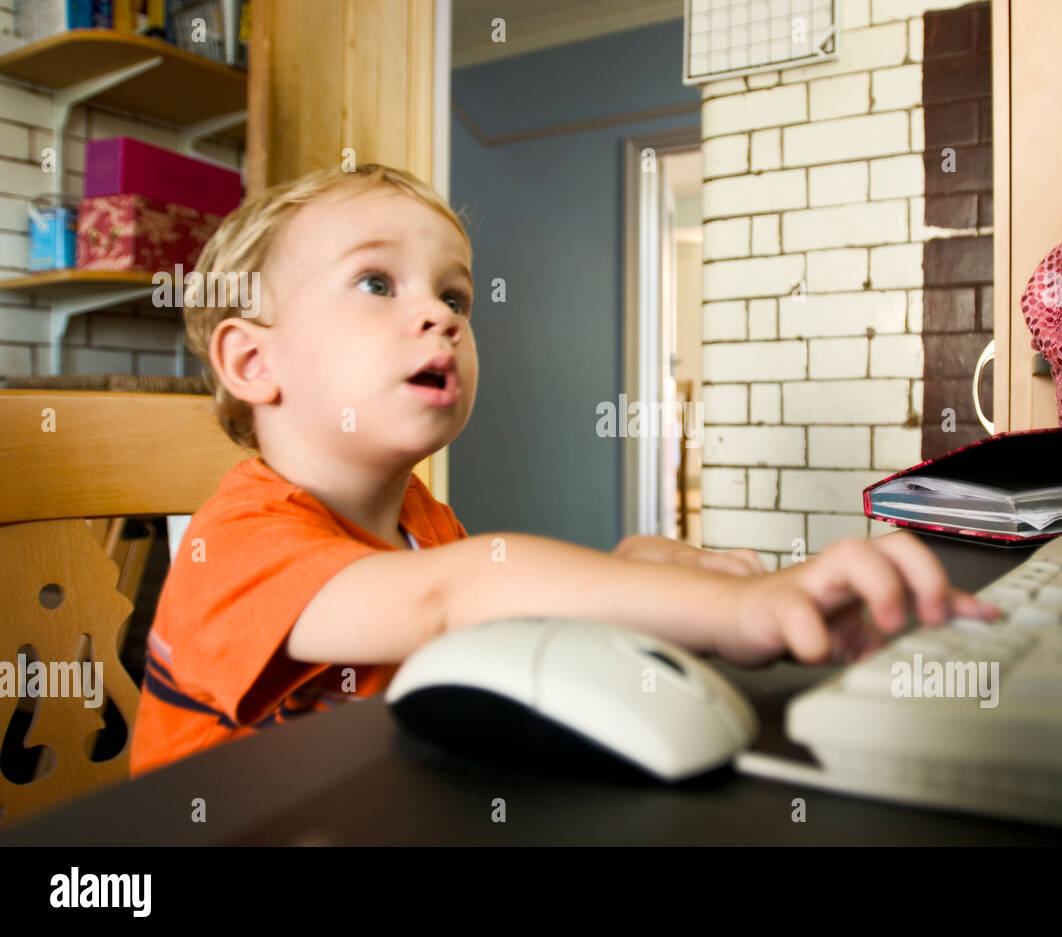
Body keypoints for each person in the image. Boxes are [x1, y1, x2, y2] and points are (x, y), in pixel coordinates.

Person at [129, 164, 999, 776]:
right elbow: (453, 595)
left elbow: (477, 630)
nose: (438, 313)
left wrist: (626, 579)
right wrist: (737, 608)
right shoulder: (234, 544)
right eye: (375, 283)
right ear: (251, 363)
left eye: (456, 295)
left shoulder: (419, 522)